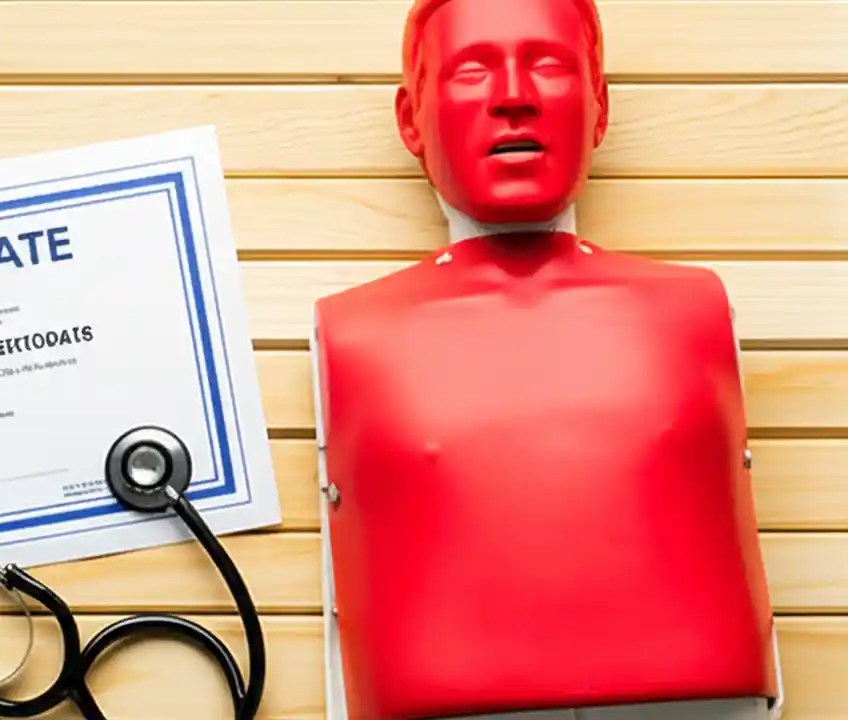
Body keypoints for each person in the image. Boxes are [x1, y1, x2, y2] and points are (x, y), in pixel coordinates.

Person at [311, 0, 781, 718]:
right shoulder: (352, 332)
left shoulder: (697, 309)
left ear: (600, 108)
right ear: (411, 120)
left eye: (550, 66)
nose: (514, 97)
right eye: (472, 71)